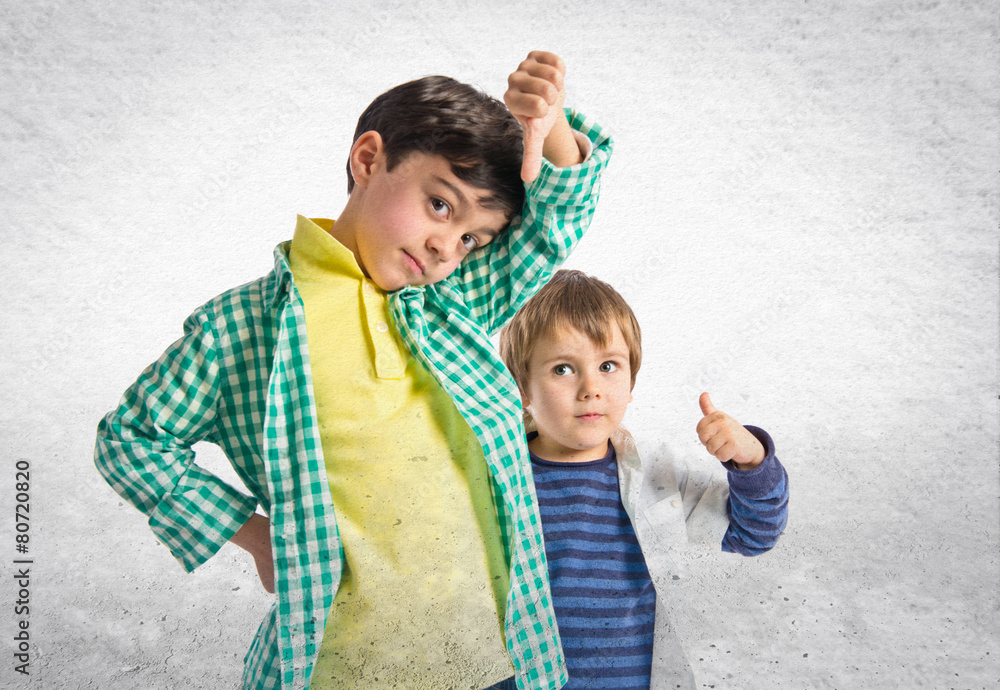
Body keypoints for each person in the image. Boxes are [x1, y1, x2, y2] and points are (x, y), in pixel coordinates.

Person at [93, 52, 612, 690]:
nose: (447, 247)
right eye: (441, 206)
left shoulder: (452, 304)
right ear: (368, 159)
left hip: (495, 663)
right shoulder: (242, 327)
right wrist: (254, 535)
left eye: (474, 239)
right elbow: (132, 439)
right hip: (339, 667)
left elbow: (554, 221)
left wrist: (550, 126)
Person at [498, 270, 789, 689]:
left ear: (632, 380)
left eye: (608, 366)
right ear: (520, 387)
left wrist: (751, 463)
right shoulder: (493, 480)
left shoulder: (657, 477)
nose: (591, 388)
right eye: (563, 369)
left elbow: (754, 533)